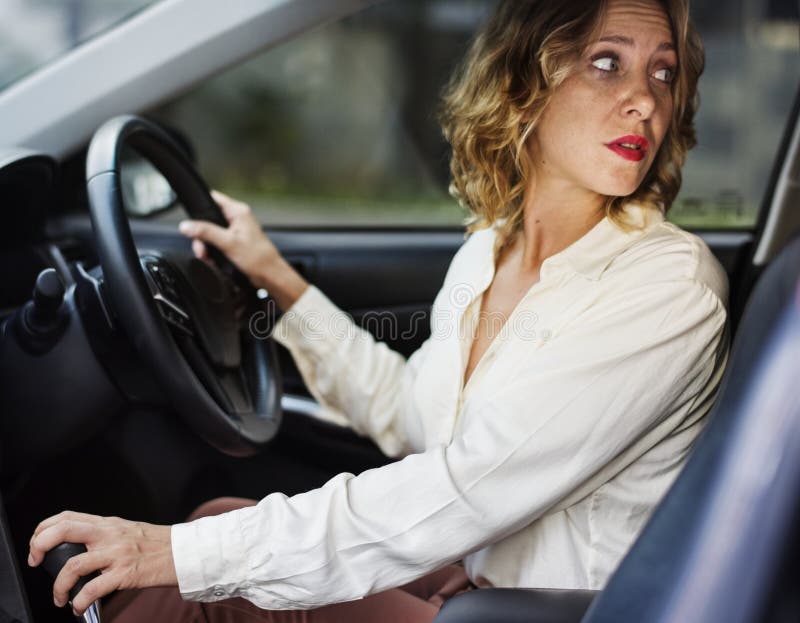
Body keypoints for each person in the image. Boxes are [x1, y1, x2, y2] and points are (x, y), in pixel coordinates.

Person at [28, 0, 728, 621]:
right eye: (607, 63)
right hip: (479, 579)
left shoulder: (667, 288)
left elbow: (463, 488)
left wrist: (173, 553)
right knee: (219, 519)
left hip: (552, 609)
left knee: (187, 585)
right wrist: (277, 279)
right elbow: (409, 414)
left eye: (663, 74)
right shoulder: (489, 252)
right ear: (523, 88)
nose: (645, 100)